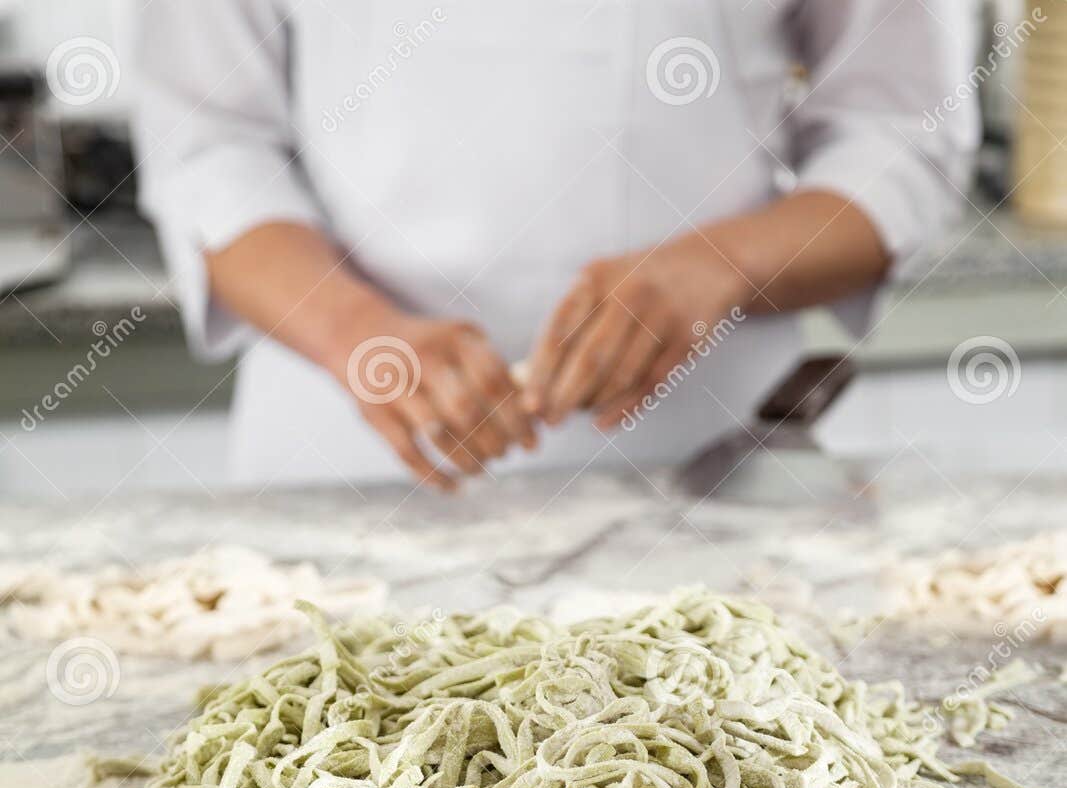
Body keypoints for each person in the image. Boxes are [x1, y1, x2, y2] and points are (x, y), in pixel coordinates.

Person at [132, 2, 977, 492]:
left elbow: (902, 133)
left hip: (706, 464)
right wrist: (352, 332)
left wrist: (718, 267)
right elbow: (208, 144)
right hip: (344, 460)